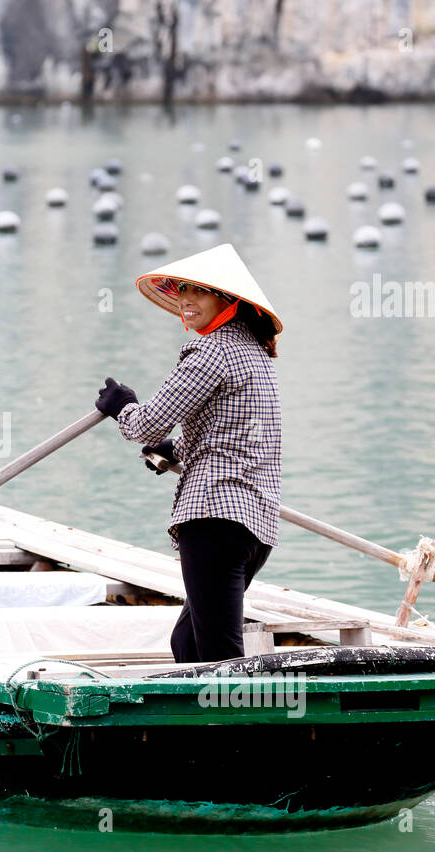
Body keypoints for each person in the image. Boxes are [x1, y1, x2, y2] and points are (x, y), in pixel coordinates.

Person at [94, 243, 282, 663]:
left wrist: (120, 405)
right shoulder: (255, 352)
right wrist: (174, 448)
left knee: (218, 655)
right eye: (181, 289)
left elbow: (145, 424)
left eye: (198, 291)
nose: (185, 300)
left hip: (215, 519)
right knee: (189, 644)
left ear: (227, 299)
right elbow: (236, 433)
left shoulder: (211, 352)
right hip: (255, 526)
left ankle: (237, 726)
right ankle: (209, 724)